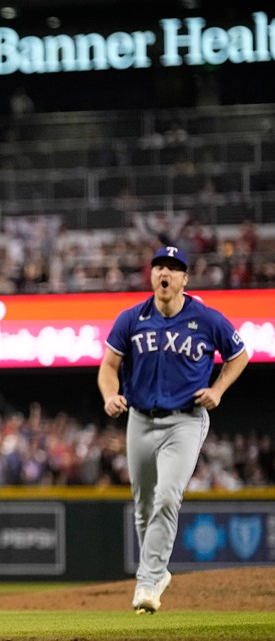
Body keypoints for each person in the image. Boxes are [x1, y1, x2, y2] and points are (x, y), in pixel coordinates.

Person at [97, 245, 249, 614]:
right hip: (140, 419)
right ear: (152, 276)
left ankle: (147, 581)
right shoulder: (132, 318)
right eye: (159, 267)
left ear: (184, 279)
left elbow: (240, 355)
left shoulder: (207, 318)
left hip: (185, 418)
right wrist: (109, 395)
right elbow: (109, 366)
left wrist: (217, 389)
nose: (165, 273)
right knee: (143, 506)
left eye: (173, 268)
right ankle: (157, 571)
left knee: (167, 496)